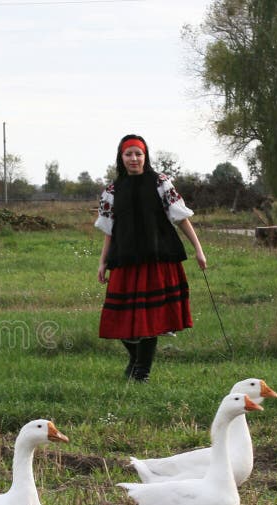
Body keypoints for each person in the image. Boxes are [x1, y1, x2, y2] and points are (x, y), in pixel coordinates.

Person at [95, 134, 206, 382]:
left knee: (150, 318)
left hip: (157, 259)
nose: (134, 158)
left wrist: (198, 249)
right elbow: (108, 230)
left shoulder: (161, 183)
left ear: (145, 156)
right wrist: (102, 262)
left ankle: (142, 372)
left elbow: (181, 218)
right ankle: (135, 358)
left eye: (138, 153)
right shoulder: (111, 192)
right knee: (121, 317)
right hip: (124, 260)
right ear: (121, 158)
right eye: (128, 154)